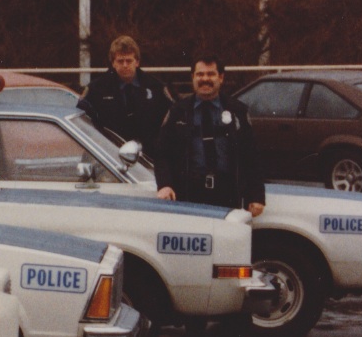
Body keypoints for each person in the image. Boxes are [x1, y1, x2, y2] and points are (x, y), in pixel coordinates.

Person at [153, 55, 265, 217]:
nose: (205, 79)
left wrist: (256, 196)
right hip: (187, 193)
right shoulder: (178, 112)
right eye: (200, 74)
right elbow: (161, 153)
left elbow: (252, 155)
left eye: (211, 74)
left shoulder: (238, 111)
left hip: (227, 193)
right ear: (193, 77)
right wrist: (165, 185)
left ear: (221, 77)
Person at [78, 35, 172, 144]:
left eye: (129, 61)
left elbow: (170, 119)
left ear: (137, 62)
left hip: (148, 155)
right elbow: (82, 121)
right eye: (120, 61)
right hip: (109, 153)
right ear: (113, 63)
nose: (125, 65)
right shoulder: (97, 89)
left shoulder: (156, 88)